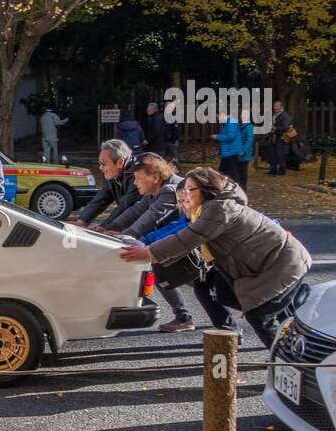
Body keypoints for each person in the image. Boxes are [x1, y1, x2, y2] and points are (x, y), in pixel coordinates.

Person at [118, 167, 312, 348]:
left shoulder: (219, 209)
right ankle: (292, 307)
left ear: (205, 189)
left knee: (259, 313)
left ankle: (286, 360)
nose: (185, 195)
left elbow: (187, 238)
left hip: (282, 262)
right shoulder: (205, 209)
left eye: (189, 189)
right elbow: (178, 232)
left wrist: (150, 253)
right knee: (225, 295)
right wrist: (146, 243)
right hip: (261, 263)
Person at [98, 154, 194, 332]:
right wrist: (108, 228)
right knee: (167, 272)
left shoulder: (170, 190)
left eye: (138, 178)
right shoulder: (155, 189)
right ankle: (184, 317)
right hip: (174, 239)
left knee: (200, 281)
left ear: (155, 177)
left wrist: (128, 236)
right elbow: (136, 211)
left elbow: (150, 218)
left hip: (189, 242)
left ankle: (187, 317)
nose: (135, 183)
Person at [74, 139, 139, 228]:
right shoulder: (114, 173)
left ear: (120, 162)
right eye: (99, 163)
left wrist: (104, 227)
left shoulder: (138, 174)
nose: (100, 168)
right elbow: (100, 199)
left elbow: (126, 205)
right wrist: (82, 221)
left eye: (103, 164)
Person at [215, 112, 245, 185]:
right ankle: (226, 187)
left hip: (232, 151)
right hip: (228, 151)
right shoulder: (227, 123)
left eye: (218, 117)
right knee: (223, 170)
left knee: (232, 173)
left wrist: (217, 137)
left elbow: (230, 136)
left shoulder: (231, 122)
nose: (218, 120)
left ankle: (236, 189)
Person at [269, 101, 291, 176]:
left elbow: (286, 127)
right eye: (274, 106)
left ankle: (282, 171)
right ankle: (273, 170)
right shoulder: (275, 115)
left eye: (277, 106)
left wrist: (275, 128)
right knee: (273, 154)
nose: (275, 108)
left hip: (281, 137)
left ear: (281, 107)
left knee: (280, 154)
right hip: (275, 137)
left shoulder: (284, 115)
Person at [236, 109, 255, 190]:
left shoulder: (249, 127)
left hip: (244, 153)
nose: (243, 116)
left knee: (243, 171)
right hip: (237, 152)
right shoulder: (239, 125)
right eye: (242, 114)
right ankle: (238, 187)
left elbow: (249, 139)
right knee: (237, 170)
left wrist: (243, 150)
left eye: (245, 115)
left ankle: (243, 188)